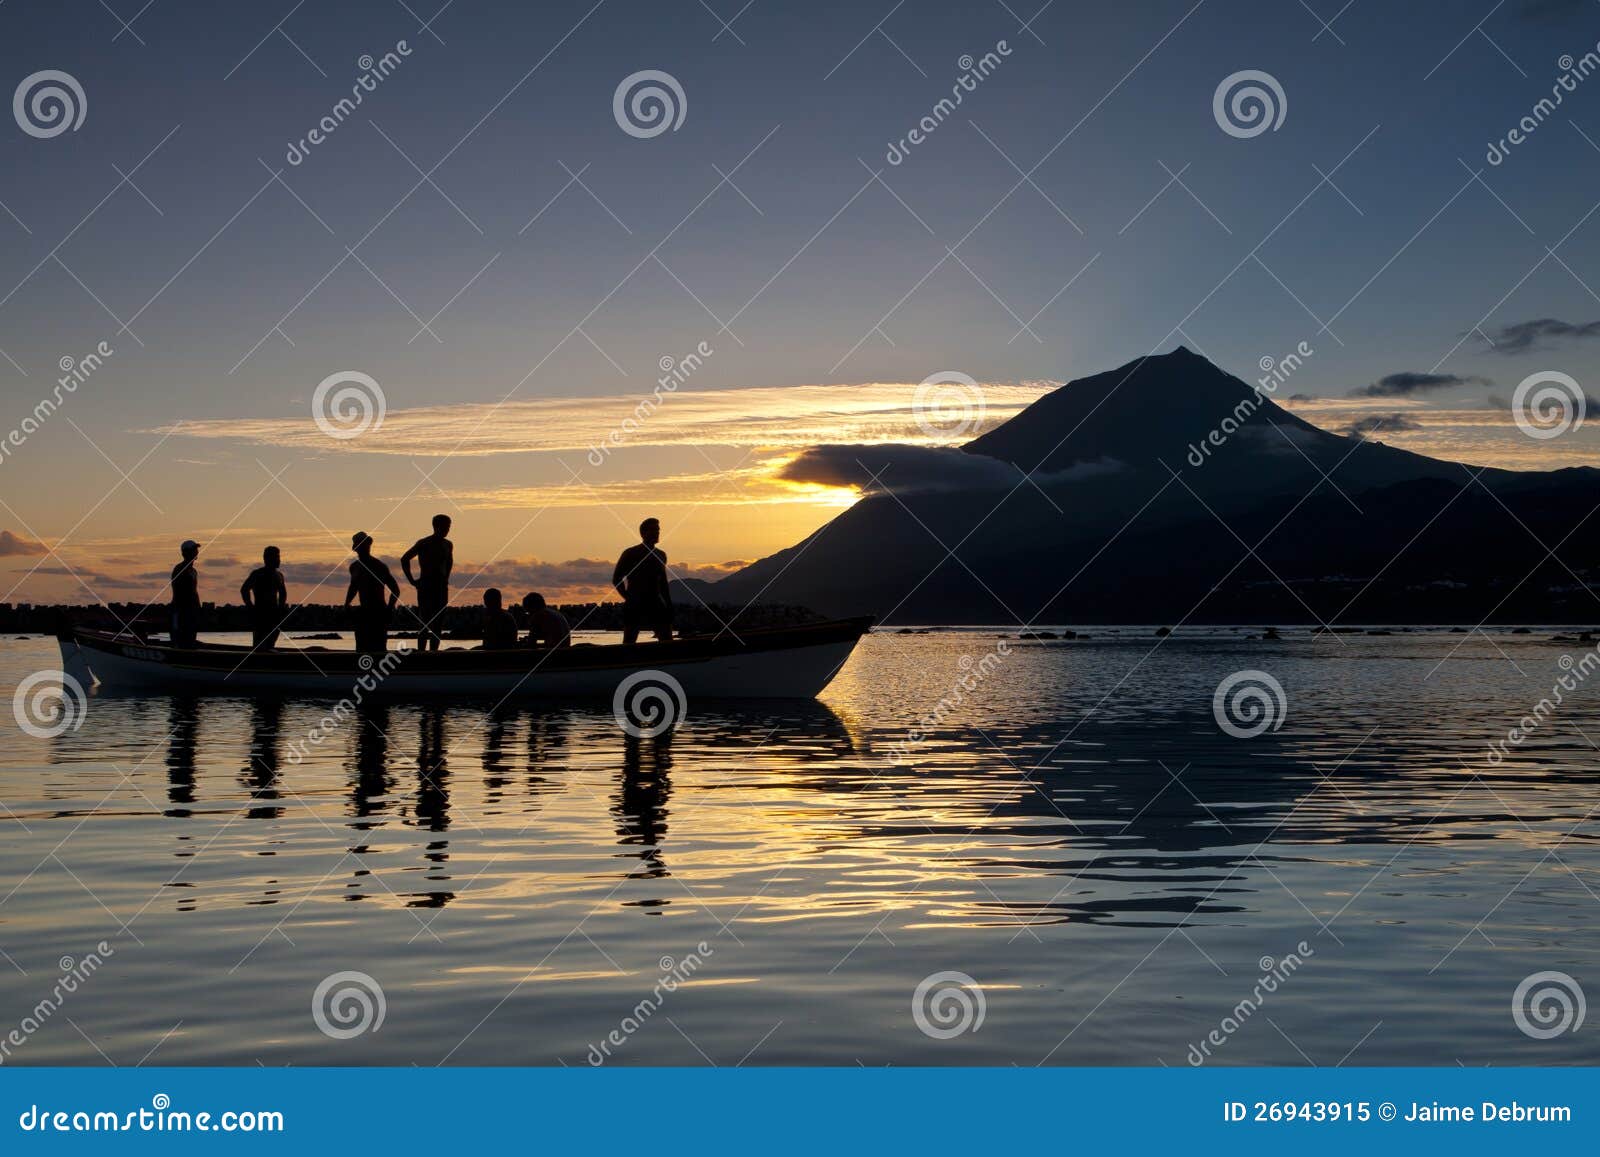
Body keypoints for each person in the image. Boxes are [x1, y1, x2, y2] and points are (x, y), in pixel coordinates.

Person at [612, 517, 673, 645]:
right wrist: (628, 597)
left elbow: (663, 583)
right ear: (643, 533)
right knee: (629, 640)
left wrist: (668, 605)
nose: (657, 533)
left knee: (667, 639)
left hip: (656, 602)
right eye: (653, 530)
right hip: (635, 602)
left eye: (658, 530)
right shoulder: (630, 553)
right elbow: (617, 579)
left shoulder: (661, 555)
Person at [402, 514, 453, 651]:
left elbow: (449, 562)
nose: (447, 529)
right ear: (436, 526)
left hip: (441, 587)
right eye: (445, 526)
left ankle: (434, 652)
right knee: (425, 621)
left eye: (449, 526)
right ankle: (421, 653)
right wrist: (412, 581)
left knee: (438, 622)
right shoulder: (424, 543)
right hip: (426, 586)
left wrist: (446, 578)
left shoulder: (448, 544)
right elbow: (404, 559)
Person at [344, 532, 400, 653]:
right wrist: (347, 604)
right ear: (356, 548)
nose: (364, 548)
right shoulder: (354, 567)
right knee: (361, 646)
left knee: (379, 647)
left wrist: (389, 608)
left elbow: (395, 589)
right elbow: (353, 587)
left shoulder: (379, 566)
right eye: (361, 545)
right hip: (363, 612)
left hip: (379, 611)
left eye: (366, 545)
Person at [240, 546, 288, 650]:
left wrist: (281, 608)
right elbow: (244, 589)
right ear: (267, 559)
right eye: (276, 557)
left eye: (278, 557)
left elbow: (283, 593)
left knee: (271, 641)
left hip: (274, 613)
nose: (279, 560)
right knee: (259, 643)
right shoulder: (257, 574)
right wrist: (250, 606)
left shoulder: (279, 575)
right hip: (260, 613)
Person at [169, 539, 201, 649]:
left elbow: (194, 592)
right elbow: (179, 592)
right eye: (193, 550)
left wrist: (197, 609)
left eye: (196, 549)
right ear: (185, 553)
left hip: (191, 612)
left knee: (190, 640)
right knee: (180, 640)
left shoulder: (193, 571)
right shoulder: (179, 569)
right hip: (181, 611)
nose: (196, 552)